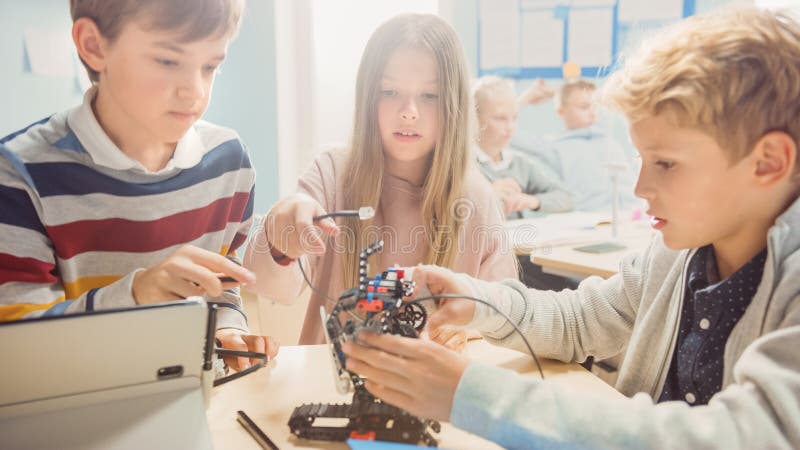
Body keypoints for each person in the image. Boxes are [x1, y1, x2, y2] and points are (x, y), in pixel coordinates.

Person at [342, 8, 800, 448]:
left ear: (768, 163)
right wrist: (473, 297)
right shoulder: (676, 255)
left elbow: (743, 437)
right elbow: (579, 320)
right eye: (642, 160)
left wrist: (469, 393)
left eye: (666, 163)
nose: (642, 187)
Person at [0, 0, 278, 370]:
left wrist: (224, 328)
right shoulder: (21, 173)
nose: (194, 92)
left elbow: (219, 281)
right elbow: (19, 350)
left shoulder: (228, 164)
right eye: (167, 61)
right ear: (94, 46)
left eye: (211, 66)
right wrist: (136, 295)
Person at [244, 14, 517, 348]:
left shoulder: (475, 196)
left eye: (429, 96)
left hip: (434, 388)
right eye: (390, 91)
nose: (409, 111)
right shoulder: (332, 175)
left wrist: (473, 330)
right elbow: (271, 289)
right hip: (333, 389)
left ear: (454, 105)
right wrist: (279, 236)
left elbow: (505, 313)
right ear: (368, 96)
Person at [516, 79, 638, 211]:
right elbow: (509, 134)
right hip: (591, 220)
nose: (592, 112)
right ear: (561, 111)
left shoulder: (608, 136)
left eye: (596, 106)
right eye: (584, 107)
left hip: (632, 215)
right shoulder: (556, 148)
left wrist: (557, 93)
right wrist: (526, 98)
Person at [472, 75, 573, 219]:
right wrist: (486, 195)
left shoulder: (519, 164)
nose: (510, 127)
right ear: (474, 119)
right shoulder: (461, 167)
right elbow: (446, 215)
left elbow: (567, 198)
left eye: (515, 117)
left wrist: (533, 201)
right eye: (500, 118)